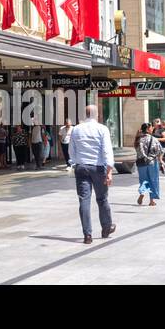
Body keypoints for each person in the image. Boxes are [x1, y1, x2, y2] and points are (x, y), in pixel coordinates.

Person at [69, 104, 115, 245]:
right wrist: (109, 170)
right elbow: (107, 150)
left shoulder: (76, 129)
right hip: (98, 167)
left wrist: (76, 162)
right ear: (97, 115)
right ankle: (106, 227)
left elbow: (71, 150)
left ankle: (87, 235)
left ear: (85, 115)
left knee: (84, 200)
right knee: (102, 199)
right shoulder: (102, 129)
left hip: (81, 167)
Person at [133, 123, 163, 207]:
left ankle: (142, 193)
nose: (152, 128)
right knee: (153, 180)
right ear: (147, 129)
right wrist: (160, 160)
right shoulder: (154, 139)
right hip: (152, 163)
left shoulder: (138, 140)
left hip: (141, 163)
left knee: (144, 180)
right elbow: (160, 151)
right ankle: (151, 201)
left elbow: (136, 150)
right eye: (151, 127)